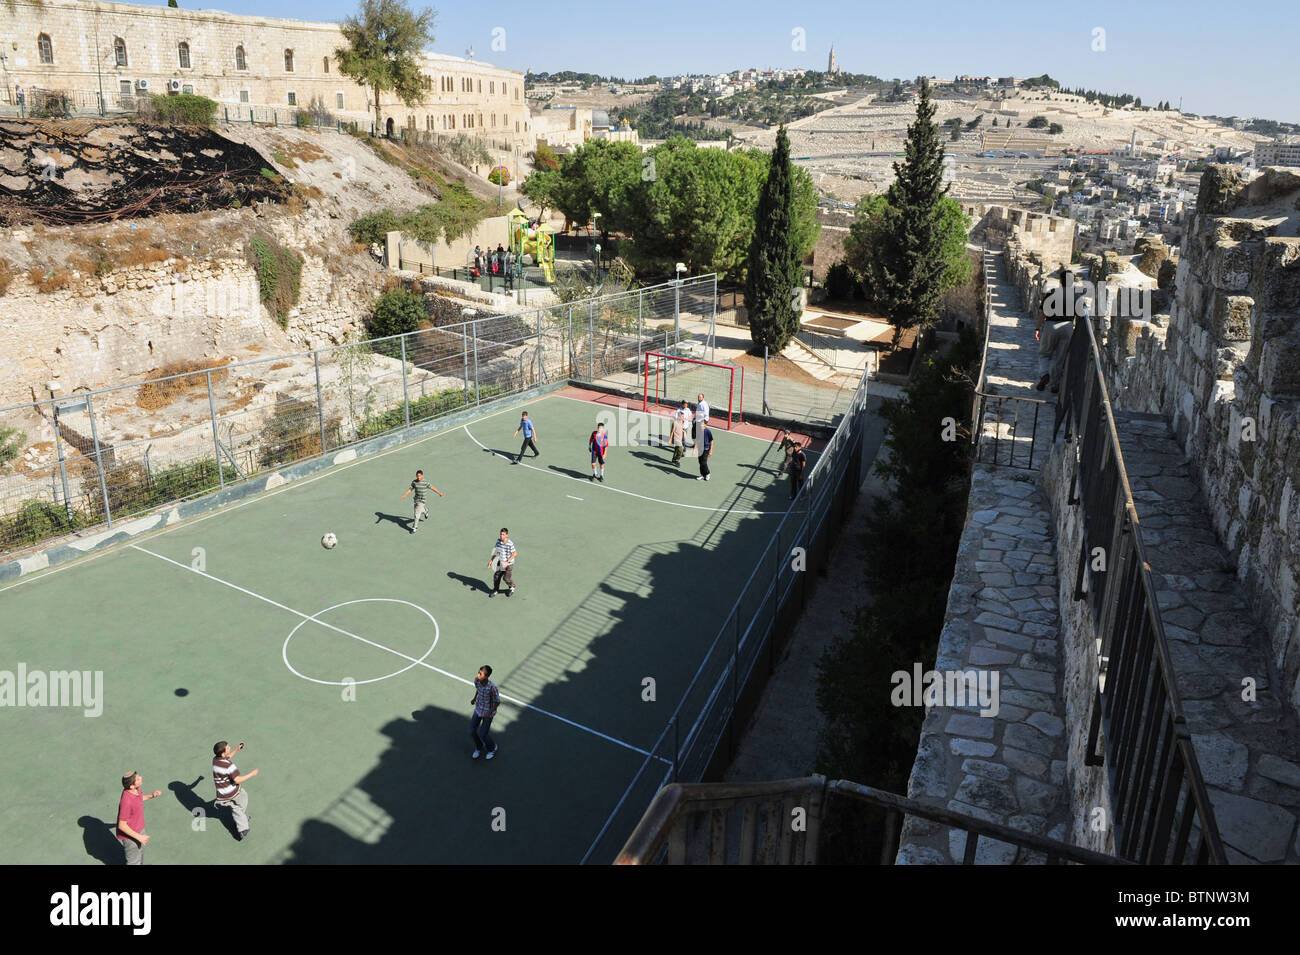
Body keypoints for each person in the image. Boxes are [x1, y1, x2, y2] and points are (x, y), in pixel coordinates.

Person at [212, 740, 258, 841]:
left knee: (236, 807)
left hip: (221, 793)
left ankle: (241, 818)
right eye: (228, 748)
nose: (229, 748)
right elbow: (237, 779)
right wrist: (252, 774)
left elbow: (227, 757)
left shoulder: (216, 760)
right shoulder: (228, 766)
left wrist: (237, 749)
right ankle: (243, 829)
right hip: (232, 792)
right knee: (242, 800)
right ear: (223, 752)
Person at [116, 771, 162, 865]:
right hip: (130, 837)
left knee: (140, 855)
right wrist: (139, 837)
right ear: (131, 786)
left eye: (139, 776)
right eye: (137, 779)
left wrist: (152, 795)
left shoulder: (136, 790)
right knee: (134, 862)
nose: (141, 778)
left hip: (139, 829)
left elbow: (139, 798)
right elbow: (121, 825)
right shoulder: (126, 801)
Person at [400, 469, 444, 534]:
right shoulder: (414, 482)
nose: (418, 477)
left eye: (420, 476)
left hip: (422, 500)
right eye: (417, 476)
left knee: (416, 514)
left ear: (422, 476)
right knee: (419, 511)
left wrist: (439, 493)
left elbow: (432, 488)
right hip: (416, 500)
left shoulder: (425, 482)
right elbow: (410, 489)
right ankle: (425, 511)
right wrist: (405, 495)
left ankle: (414, 528)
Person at [469, 665, 500, 759]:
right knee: (471, 730)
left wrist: (489, 712)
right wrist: (474, 698)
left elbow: (497, 702)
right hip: (478, 708)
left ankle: (492, 748)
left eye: (480, 674)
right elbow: (478, 690)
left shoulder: (492, 688)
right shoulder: (477, 681)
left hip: (488, 713)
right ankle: (479, 746)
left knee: (483, 733)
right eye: (478, 672)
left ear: (486, 677)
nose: (478, 675)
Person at [487, 527, 517, 597]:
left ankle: (512, 586)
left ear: (507, 535)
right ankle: (496, 590)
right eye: (500, 534)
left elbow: (515, 553)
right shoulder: (498, 541)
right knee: (496, 577)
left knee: (506, 578)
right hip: (501, 562)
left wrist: (507, 562)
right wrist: (491, 561)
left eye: (503, 534)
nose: (501, 536)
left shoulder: (510, 543)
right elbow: (495, 552)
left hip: (509, 564)